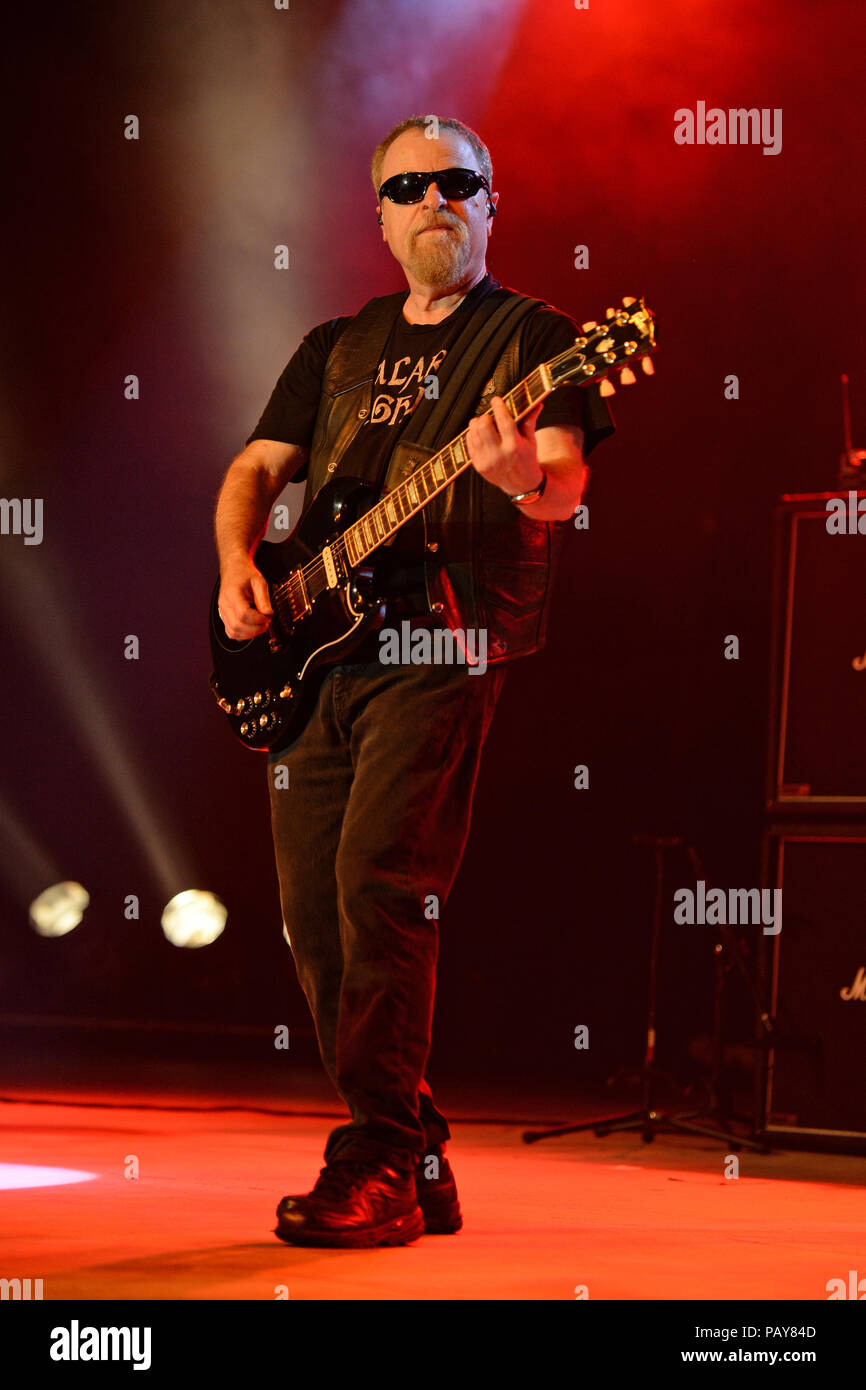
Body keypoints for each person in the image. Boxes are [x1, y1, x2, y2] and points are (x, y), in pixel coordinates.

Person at [214, 115, 614, 1248]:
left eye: (457, 182)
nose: (433, 198)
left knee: (378, 876)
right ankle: (413, 1136)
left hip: (439, 642)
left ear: (492, 204)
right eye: (409, 185)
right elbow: (254, 468)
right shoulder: (337, 344)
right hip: (312, 649)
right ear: (380, 214)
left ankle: (378, 1157)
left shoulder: (538, 338)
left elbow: (561, 487)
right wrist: (239, 567)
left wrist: (514, 481)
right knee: (308, 913)